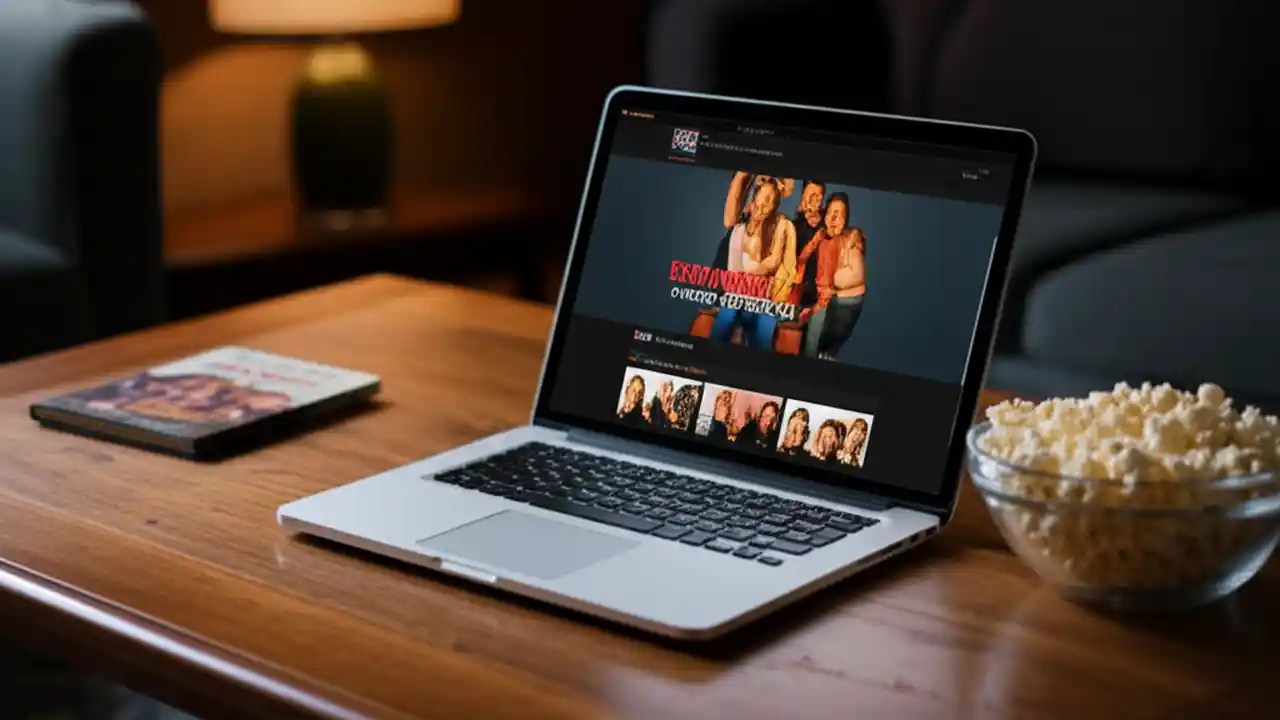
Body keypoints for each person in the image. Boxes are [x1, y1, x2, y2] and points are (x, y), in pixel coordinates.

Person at [709, 175, 797, 348]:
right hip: (736, 293)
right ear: (752, 200)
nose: (762, 206)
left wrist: (752, 269)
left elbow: (772, 263)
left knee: (764, 335)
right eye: (759, 200)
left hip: (763, 297)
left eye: (768, 202)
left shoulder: (780, 226)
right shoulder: (738, 228)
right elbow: (735, 268)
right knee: (724, 322)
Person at [799, 192, 867, 359]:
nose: (834, 218)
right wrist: (814, 241)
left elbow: (851, 276)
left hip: (831, 304)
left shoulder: (848, 240)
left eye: (839, 214)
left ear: (845, 220)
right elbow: (802, 258)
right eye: (830, 212)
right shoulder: (820, 238)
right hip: (813, 299)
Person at [788, 180, 827, 311]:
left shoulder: (826, 226)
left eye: (818, 196)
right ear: (803, 194)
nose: (814, 200)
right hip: (792, 295)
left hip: (818, 298)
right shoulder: (791, 227)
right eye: (811, 195)